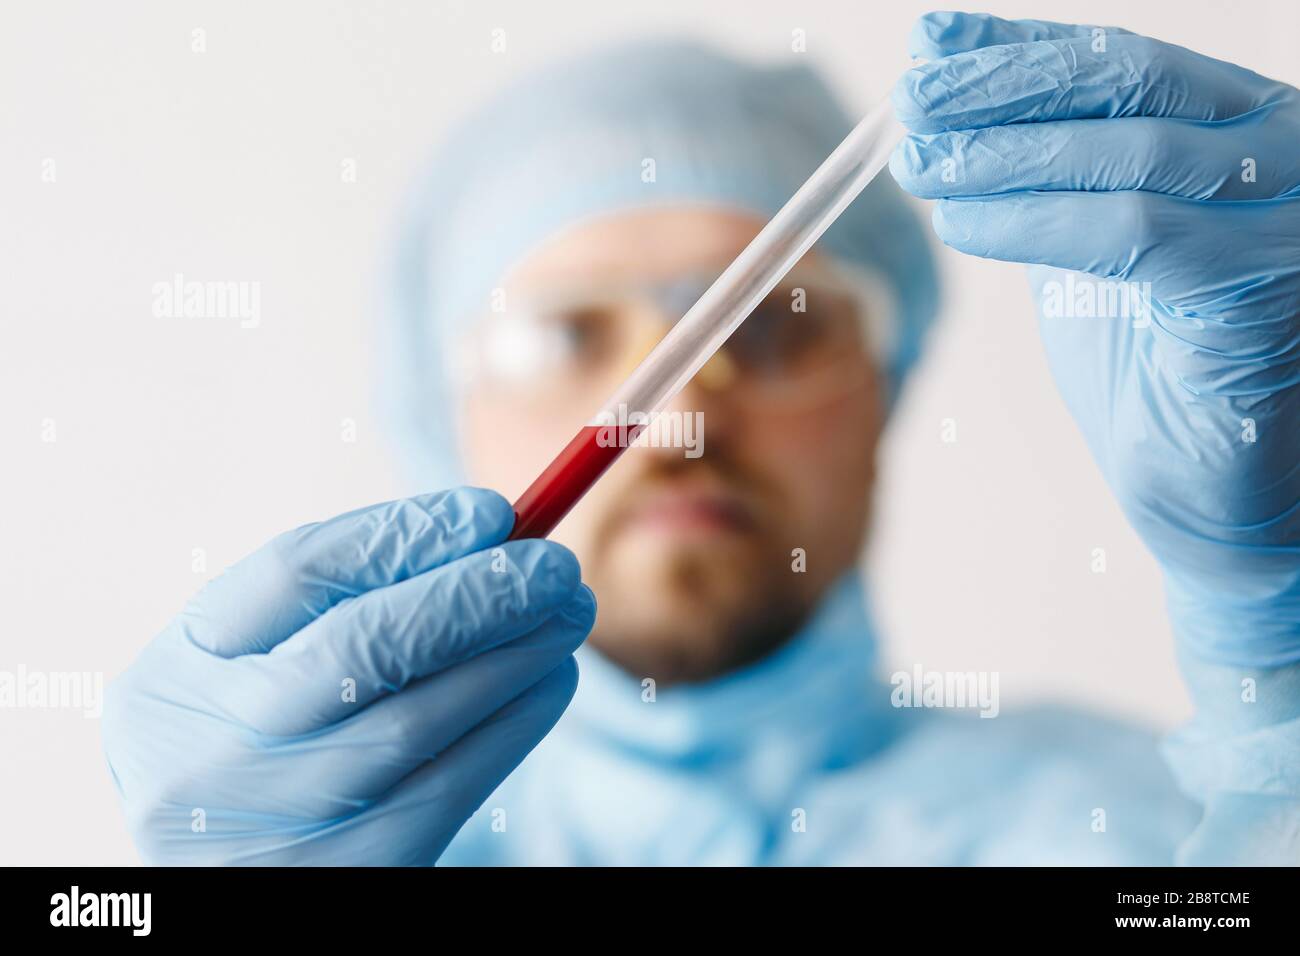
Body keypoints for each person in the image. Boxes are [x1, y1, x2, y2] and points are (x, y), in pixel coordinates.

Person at [101, 12, 1300, 865]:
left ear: (883, 386)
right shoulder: (312, 839)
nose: (674, 416)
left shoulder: (1148, 834)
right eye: (564, 332)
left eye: (776, 322)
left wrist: (1278, 667)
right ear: (434, 402)